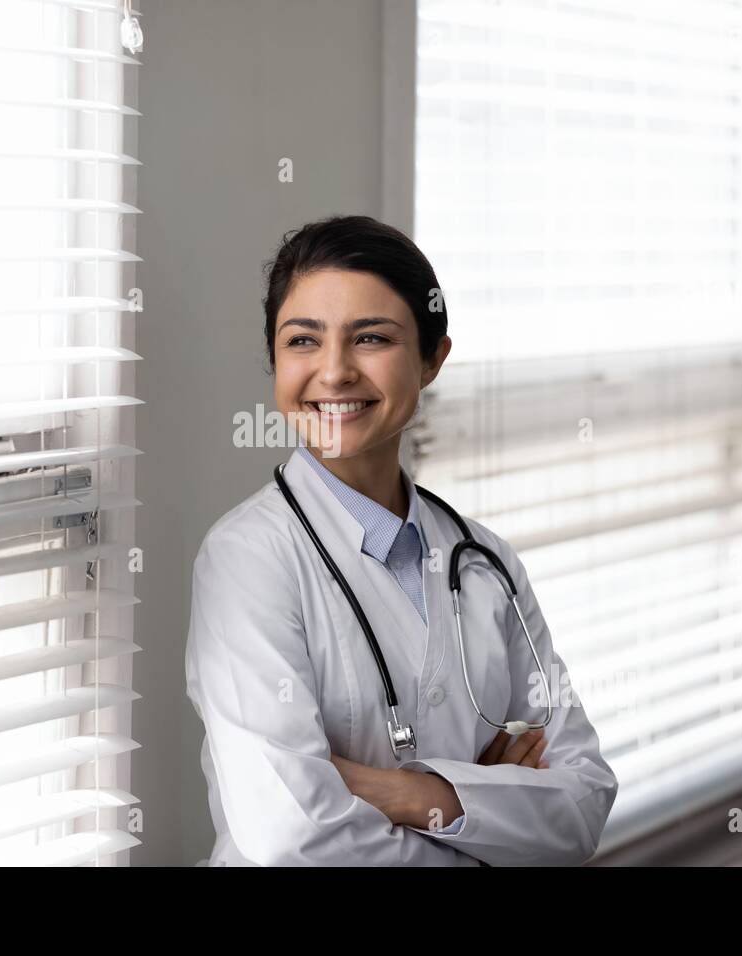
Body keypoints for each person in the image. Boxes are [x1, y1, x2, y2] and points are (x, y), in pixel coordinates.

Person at [184, 214, 617, 866]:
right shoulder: (247, 561)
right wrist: (488, 809)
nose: (334, 372)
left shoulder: (486, 563)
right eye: (303, 340)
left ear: (431, 360)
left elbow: (581, 803)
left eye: (371, 338)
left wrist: (402, 793)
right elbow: (291, 834)